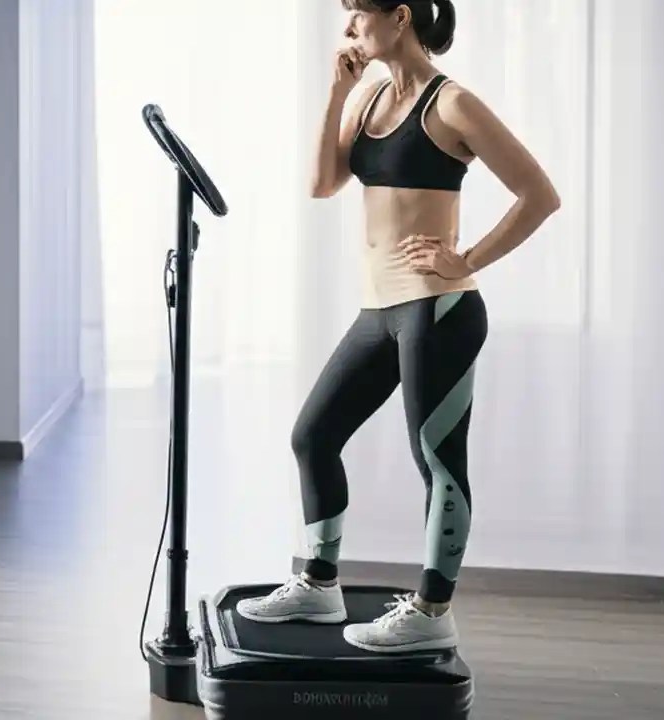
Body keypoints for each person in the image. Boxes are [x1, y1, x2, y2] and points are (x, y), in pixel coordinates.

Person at [237, 0, 560, 653]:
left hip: (438, 310)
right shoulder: (370, 98)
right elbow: (323, 183)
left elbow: (539, 194)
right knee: (313, 436)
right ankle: (320, 585)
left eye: (358, 12)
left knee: (437, 462)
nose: (350, 27)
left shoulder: (452, 104)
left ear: (400, 16)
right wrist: (337, 92)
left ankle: (432, 610)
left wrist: (465, 259)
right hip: (379, 309)